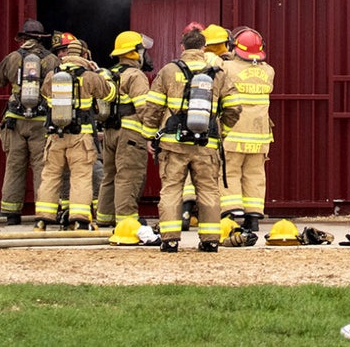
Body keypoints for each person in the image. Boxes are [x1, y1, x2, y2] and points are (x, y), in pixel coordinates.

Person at [135, 26, 238, 252]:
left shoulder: (169, 71)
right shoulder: (218, 73)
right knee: (209, 191)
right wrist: (223, 132)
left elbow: (153, 107)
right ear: (204, 48)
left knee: (172, 189)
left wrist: (150, 136)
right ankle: (211, 241)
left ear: (182, 47)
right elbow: (233, 108)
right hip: (207, 144)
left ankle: (170, 240)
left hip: (173, 144)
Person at [35, 33, 112, 230]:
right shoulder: (89, 76)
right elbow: (109, 93)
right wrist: (100, 73)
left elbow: (43, 93)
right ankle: (79, 218)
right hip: (81, 137)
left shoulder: (53, 75)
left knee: (51, 175)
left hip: (55, 135)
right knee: (81, 176)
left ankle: (43, 218)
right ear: (83, 55)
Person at [0, 18, 56, 224]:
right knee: (42, 167)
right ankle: (43, 214)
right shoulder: (51, 60)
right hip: (40, 121)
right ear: (41, 39)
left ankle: (11, 214)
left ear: (23, 38)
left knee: (14, 166)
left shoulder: (12, 57)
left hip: (15, 121)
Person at [98, 31, 151, 237]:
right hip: (130, 134)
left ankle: (104, 217)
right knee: (128, 176)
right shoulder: (135, 76)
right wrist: (153, 133)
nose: (143, 53)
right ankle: (126, 221)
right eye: (140, 49)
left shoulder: (109, 73)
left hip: (110, 132)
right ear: (134, 52)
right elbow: (144, 108)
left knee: (109, 176)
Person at [220, 28, 274, 231]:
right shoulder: (268, 71)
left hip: (233, 134)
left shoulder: (227, 68)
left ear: (235, 48)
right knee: (255, 175)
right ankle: (253, 218)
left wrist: (228, 56)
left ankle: (233, 214)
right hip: (260, 137)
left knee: (229, 173)